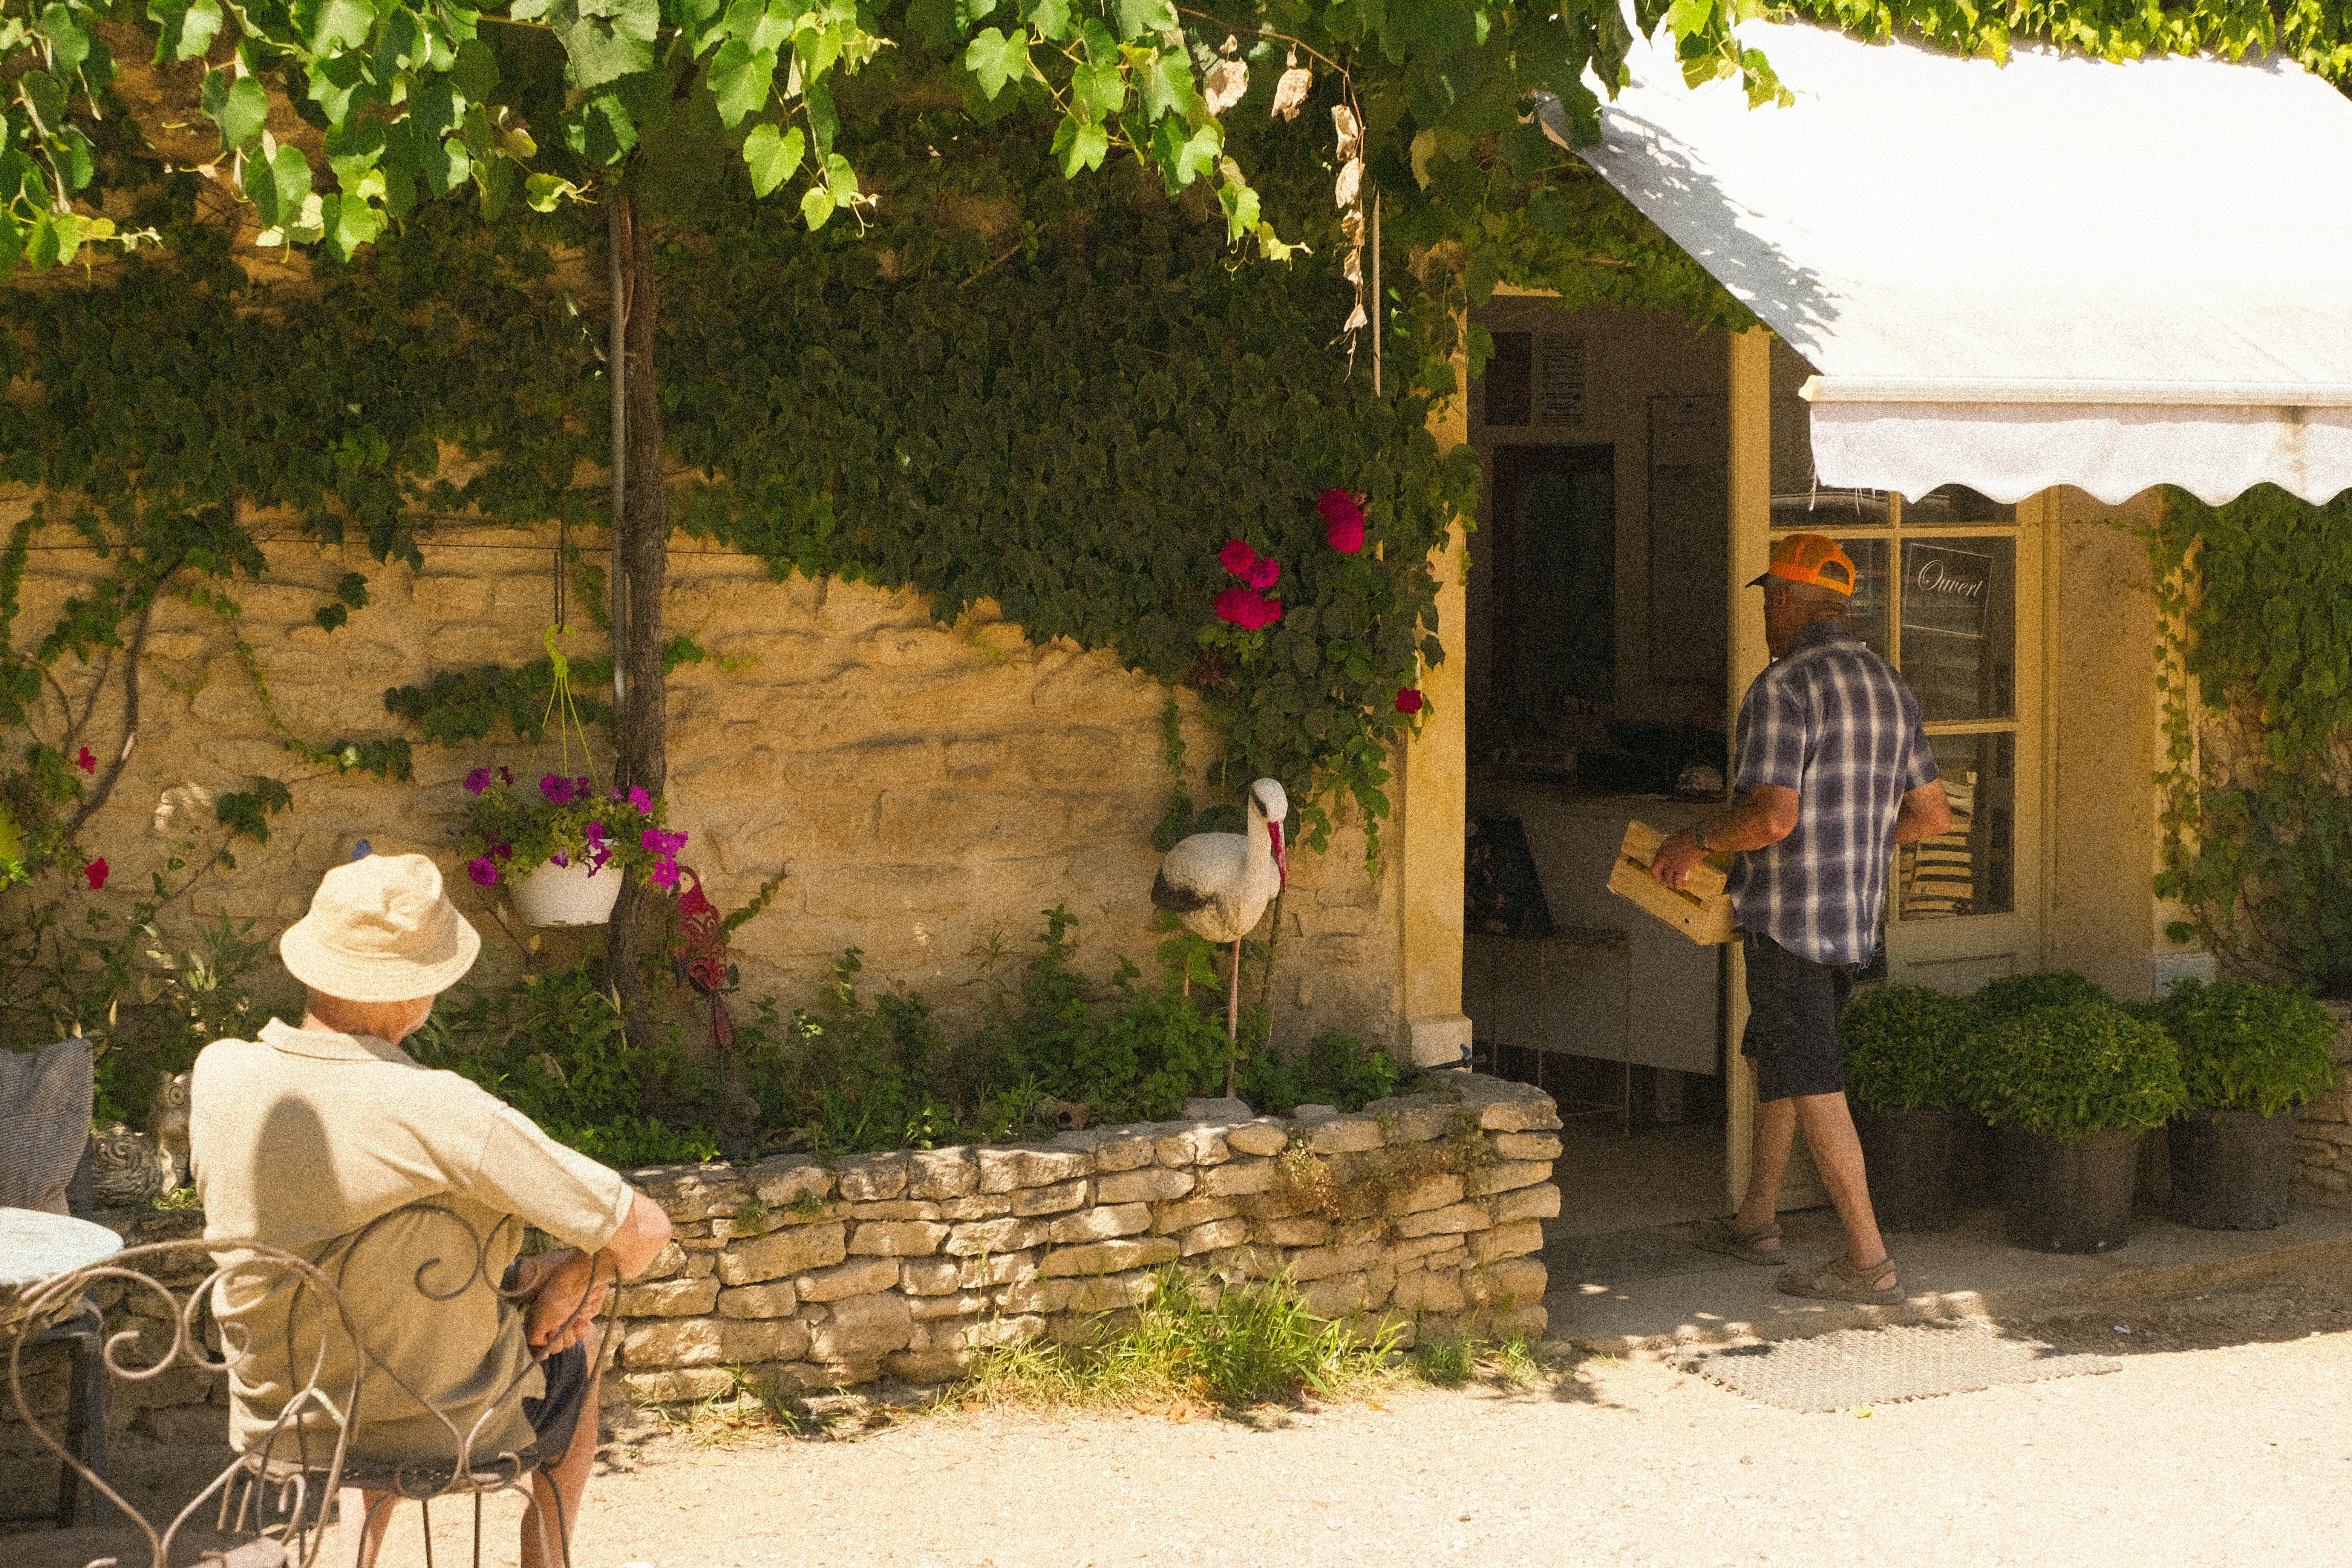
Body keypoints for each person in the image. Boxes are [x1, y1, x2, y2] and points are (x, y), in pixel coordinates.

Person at [190, 852, 673, 1568]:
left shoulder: (220, 1073)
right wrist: (580, 1274)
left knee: (390, 1315)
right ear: (416, 994)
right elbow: (644, 1230)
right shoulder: (441, 1108)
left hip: (280, 1414)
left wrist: (543, 1271)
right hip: (435, 1422)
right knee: (580, 1347)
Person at [1649, 533, 1951, 1305]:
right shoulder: (1890, 686)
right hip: (1854, 922)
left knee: (1814, 1080)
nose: (1763, 617)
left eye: (1765, 602)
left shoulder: (1782, 687)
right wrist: (1856, 834)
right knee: (1773, 1057)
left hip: (1789, 924)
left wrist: (1693, 839)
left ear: (1784, 600)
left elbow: (1772, 817)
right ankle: (1758, 1217)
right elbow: (1933, 815)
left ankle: (1869, 1261)